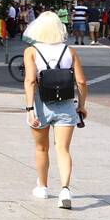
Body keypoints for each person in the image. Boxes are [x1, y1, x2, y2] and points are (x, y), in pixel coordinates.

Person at [23, 11, 88, 209]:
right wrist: (82, 105)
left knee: (41, 148)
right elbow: (82, 82)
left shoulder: (31, 51)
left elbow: (30, 81)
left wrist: (29, 108)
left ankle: (42, 187)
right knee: (63, 149)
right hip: (67, 105)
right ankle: (65, 189)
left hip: (41, 105)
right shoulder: (70, 51)